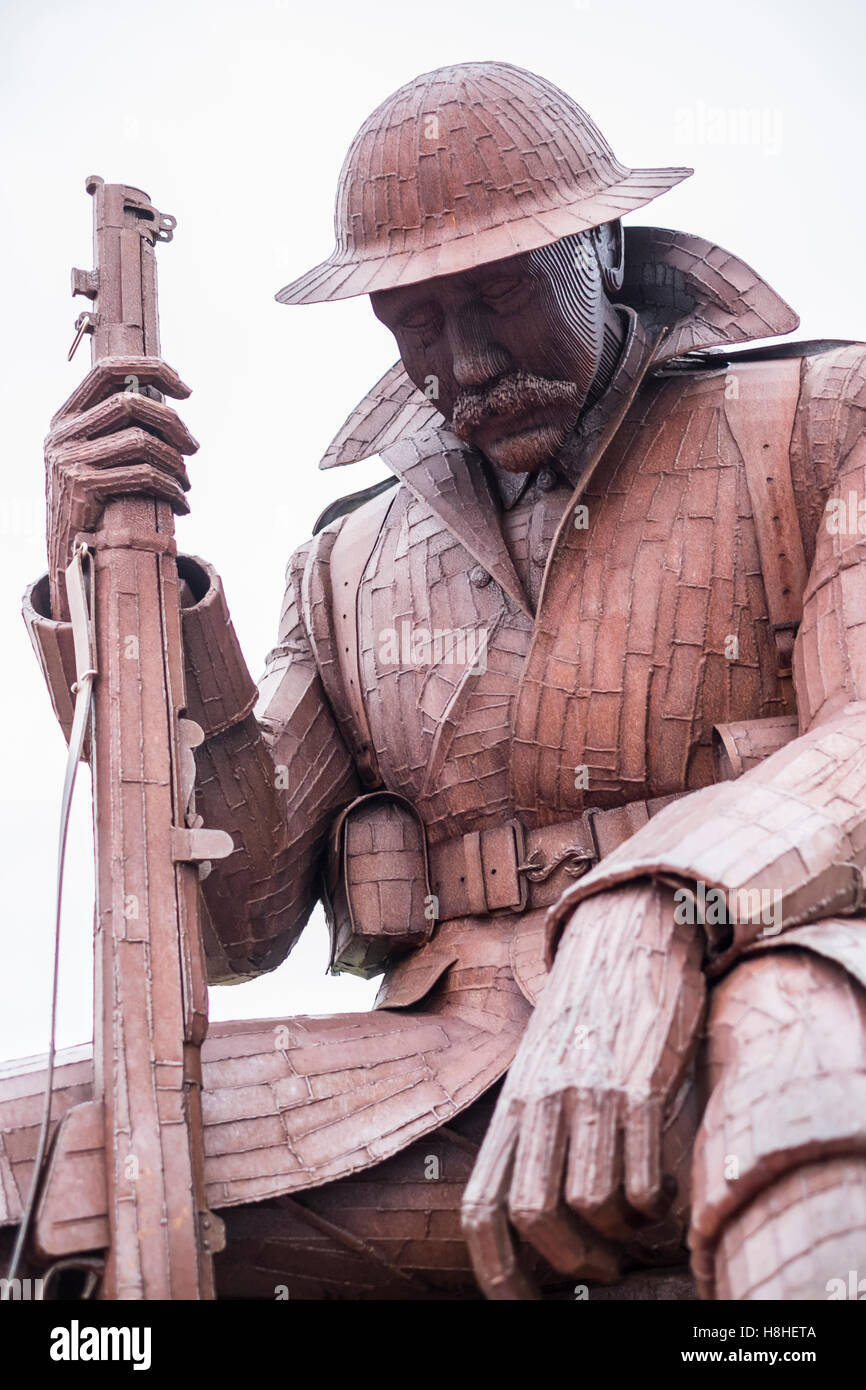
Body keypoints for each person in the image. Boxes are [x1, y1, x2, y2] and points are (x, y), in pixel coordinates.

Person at [25, 61, 866, 1300]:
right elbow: (237, 923)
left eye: (497, 297)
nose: (462, 359)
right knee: (35, 1174)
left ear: (603, 240)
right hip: (443, 1085)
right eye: (413, 320)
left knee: (803, 1090)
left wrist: (651, 916)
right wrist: (104, 575)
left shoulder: (817, 418)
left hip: (760, 988)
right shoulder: (345, 562)